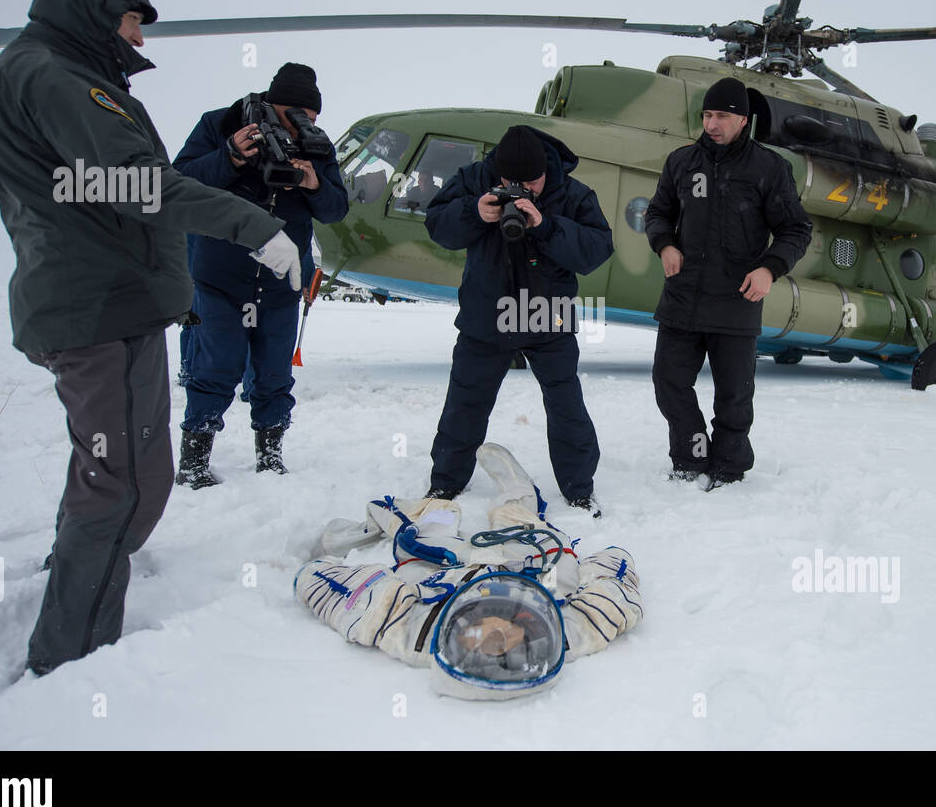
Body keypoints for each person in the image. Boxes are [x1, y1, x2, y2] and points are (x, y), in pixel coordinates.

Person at [0, 0, 302, 676]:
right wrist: (255, 225)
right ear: (95, 13)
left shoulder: (57, 74)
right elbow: (142, 184)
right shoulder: (56, 79)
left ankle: (74, 593)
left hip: (110, 306)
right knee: (120, 485)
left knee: (119, 475)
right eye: (131, 21)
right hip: (97, 311)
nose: (140, 41)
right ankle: (70, 668)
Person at [296, 443, 641, 699]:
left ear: (459, 645)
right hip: (533, 575)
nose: (496, 625)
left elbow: (328, 585)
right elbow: (616, 574)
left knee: (430, 522)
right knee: (542, 541)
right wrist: (598, 566)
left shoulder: (411, 632)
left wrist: (325, 565)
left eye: (483, 639)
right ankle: (518, 497)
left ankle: (374, 522)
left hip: (446, 575)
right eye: (508, 639)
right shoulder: (572, 632)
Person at [171, 64, 348, 486]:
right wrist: (230, 155)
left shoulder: (316, 147)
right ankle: (194, 461)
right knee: (216, 367)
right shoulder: (221, 125)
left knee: (274, 373)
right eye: (293, 114)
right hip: (219, 275)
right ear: (269, 104)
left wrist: (313, 185)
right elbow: (178, 184)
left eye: (310, 116)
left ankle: (270, 456)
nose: (301, 124)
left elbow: (336, 209)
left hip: (282, 281)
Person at [423, 125, 613, 516]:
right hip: (486, 312)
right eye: (511, 181)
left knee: (565, 404)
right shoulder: (473, 180)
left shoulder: (574, 193)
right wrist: (474, 211)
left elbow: (596, 250)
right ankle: (445, 483)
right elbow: (438, 226)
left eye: (531, 181)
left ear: (546, 170)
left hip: (547, 313)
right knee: (465, 402)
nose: (522, 189)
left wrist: (545, 226)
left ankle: (579, 488)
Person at [644, 76, 814, 490]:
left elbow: (796, 229)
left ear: (743, 120)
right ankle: (691, 456)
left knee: (733, 396)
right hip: (683, 297)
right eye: (706, 115)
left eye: (721, 116)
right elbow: (658, 213)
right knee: (669, 384)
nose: (712, 124)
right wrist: (664, 244)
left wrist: (769, 268)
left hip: (737, 299)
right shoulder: (681, 162)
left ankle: (729, 467)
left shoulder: (769, 168)